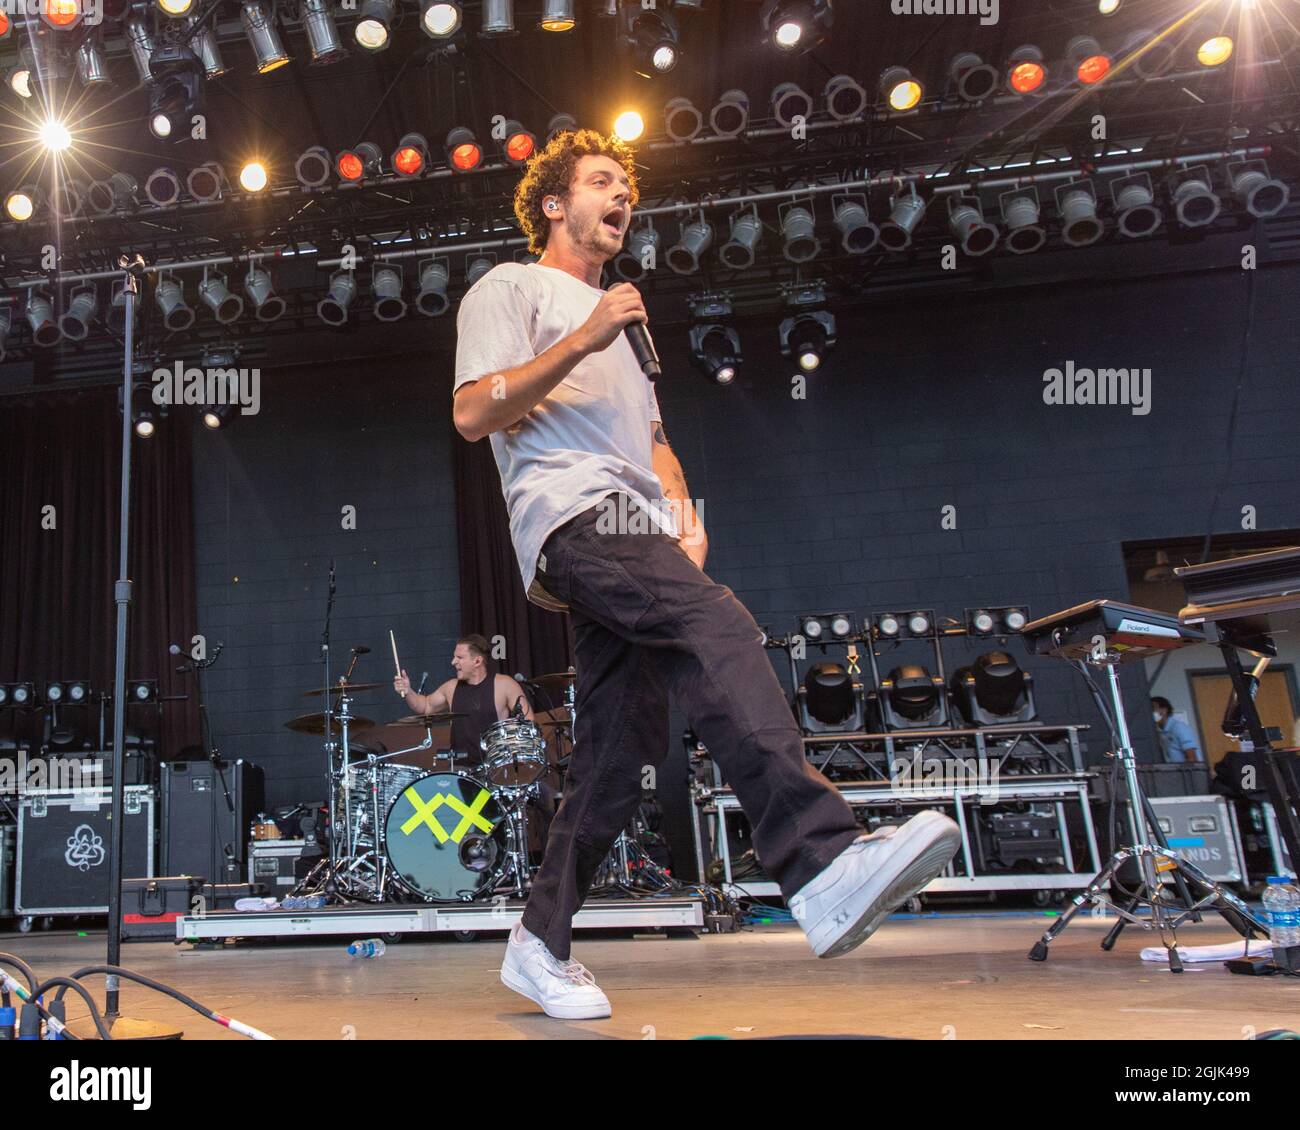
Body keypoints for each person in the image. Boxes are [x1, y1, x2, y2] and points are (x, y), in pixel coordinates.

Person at [453, 128, 961, 1021]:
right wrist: (584, 335)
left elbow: (652, 445)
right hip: (570, 515)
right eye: (601, 182)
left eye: (628, 189)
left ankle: (538, 942)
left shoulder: (630, 333)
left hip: (631, 518)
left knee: (620, 748)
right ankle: (821, 860)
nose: (621, 198)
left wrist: (682, 514)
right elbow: (472, 411)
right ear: (553, 204)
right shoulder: (514, 287)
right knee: (719, 627)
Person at [393, 634, 533, 754]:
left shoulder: (505, 684)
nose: (453, 662)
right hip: (461, 770)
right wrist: (408, 691)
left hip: (496, 769)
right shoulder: (451, 687)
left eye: (459, 657)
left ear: (477, 661)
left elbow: (528, 722)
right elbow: (425, 707)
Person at [1151, 696, 1203, 763]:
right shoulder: (1160, 732)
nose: (1151, 712)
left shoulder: (1179, 728)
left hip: (1188, 772)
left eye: (1153, 709)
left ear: (1164, 710)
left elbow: (1192, 758)